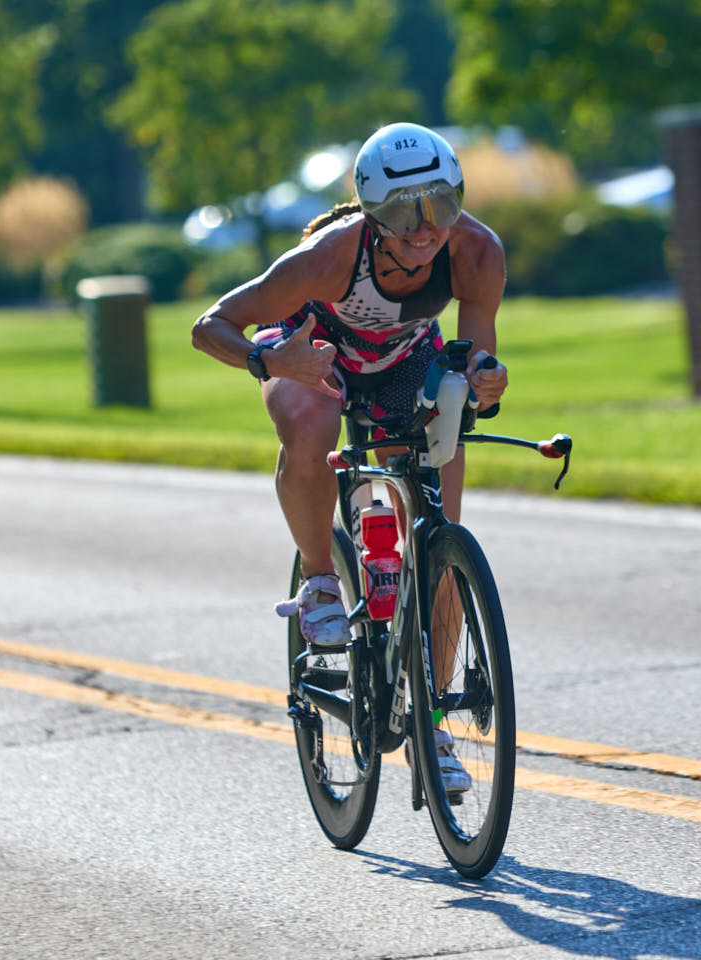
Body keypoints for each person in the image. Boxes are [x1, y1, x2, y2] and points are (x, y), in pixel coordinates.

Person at [190, 122, 508, 790]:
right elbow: (210, 326)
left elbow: (474, 358)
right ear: (370, 210)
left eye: (440, 205)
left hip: (401, 359)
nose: (424, 229)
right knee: (311, 426)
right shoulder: (332, 255)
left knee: (440, 543)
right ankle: (320, 581)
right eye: (401, 212)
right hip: (312, 350)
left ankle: (431, 730)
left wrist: (484, 380)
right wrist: (271, 358)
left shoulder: (477, 251)